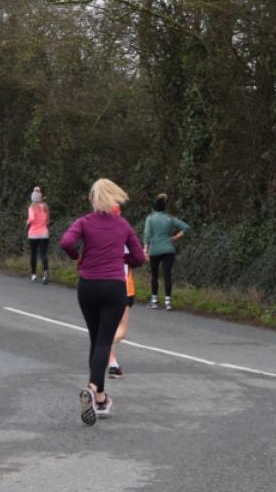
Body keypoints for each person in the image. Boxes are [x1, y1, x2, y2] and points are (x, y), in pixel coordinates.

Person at [60, 179, 145, 426]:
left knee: (96, 339)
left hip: (88, 286)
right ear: (114, 199)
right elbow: (139, 257)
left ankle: (99, 398)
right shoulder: (123, 225)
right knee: (104, 341)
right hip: (113, 287)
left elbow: (66, 242)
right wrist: (122, 257)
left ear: (92, 200)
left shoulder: (83, 222)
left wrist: (78, 256)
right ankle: (92, 388)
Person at [144, 193, 190, 311]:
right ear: (164, 208)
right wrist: (175, 237)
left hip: (154, 250)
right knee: (167, 275)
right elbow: (186, 227)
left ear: (154, 208)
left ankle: (154, 301)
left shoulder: (150, 218)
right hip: (168, 249)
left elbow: (147, 235)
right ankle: (168, 302)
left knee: (154, 275)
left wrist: (145, 250)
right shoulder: (170, 218)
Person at [108, 204, 137, 378]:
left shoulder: (98, 232)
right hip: (122, 285)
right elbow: (136, 257)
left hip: (101, 283)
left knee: (109, 326)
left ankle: (113, 364)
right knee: (121, 330)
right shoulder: (124, 232)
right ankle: (102, 345)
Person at [27, 187, 51, 284]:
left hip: (33, 234)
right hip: (44, 233)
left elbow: (32, 219)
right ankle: (45, 274)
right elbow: (48, 221)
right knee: (43, 254)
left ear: (32, 198)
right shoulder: (45, 207)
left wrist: (28, 222)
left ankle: (33, 274)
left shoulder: (31, 207)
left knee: (33, 254)